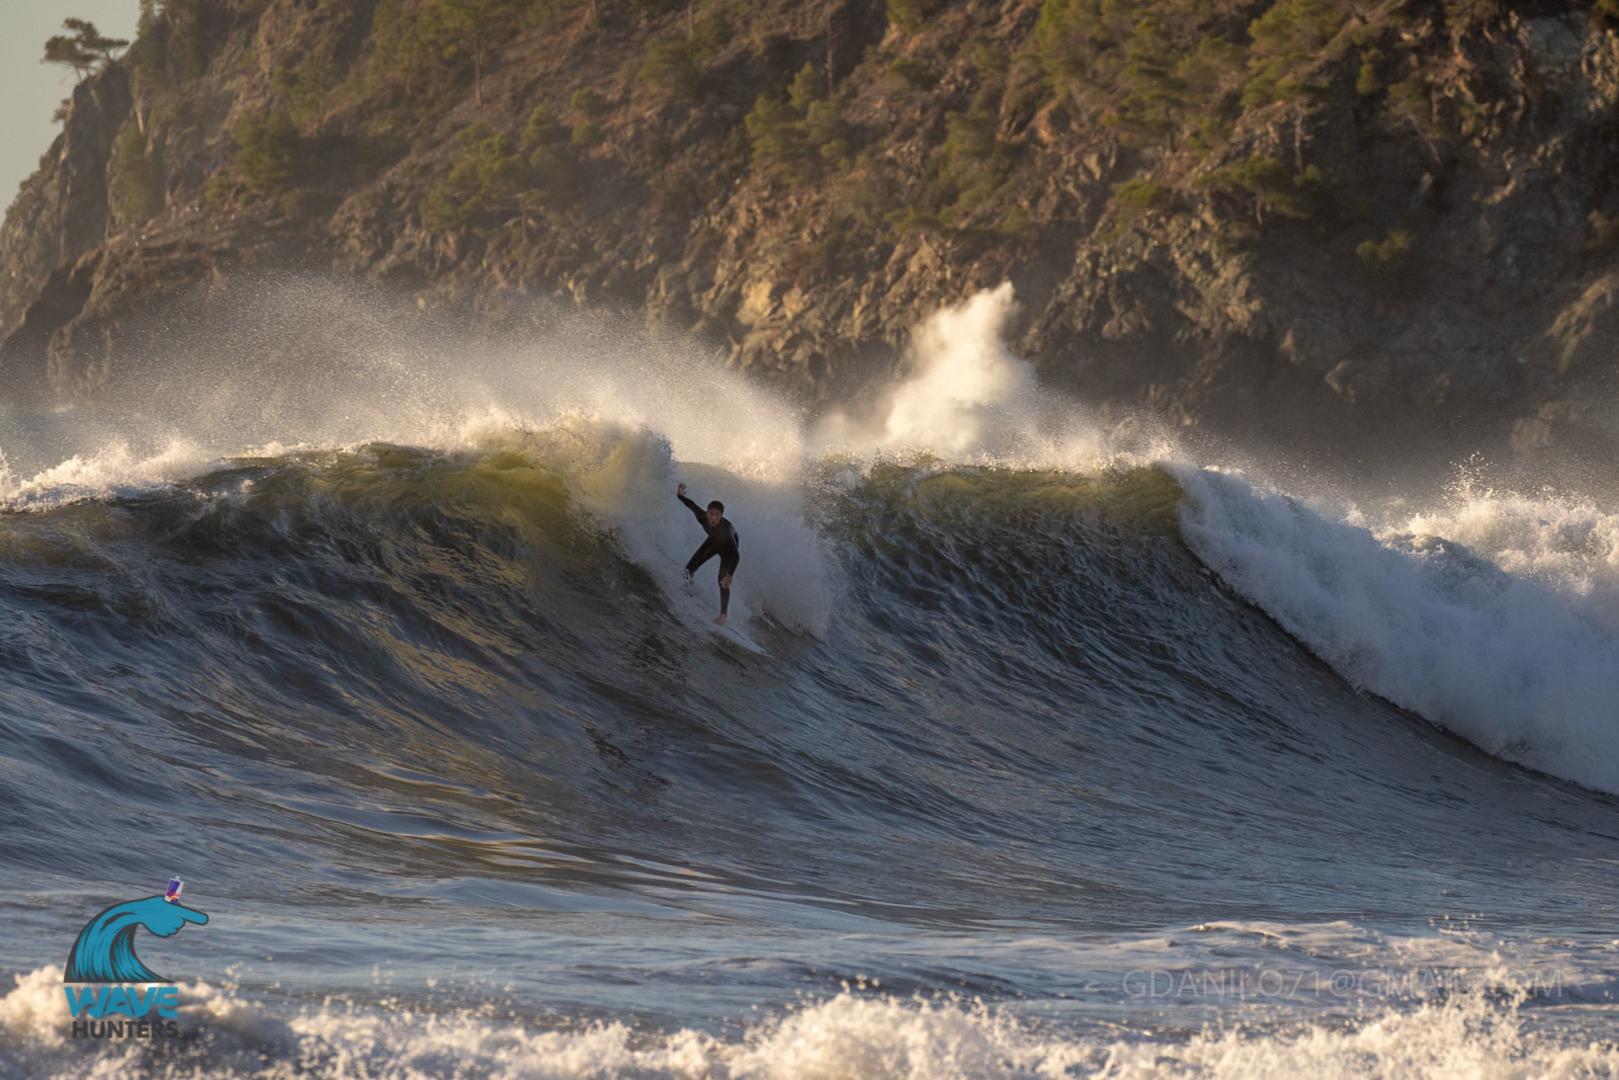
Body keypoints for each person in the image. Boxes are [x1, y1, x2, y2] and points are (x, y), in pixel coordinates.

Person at [676, 481, 739, 625]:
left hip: (728, 550)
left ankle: (723, 615)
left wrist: (730, 575)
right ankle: (685, 591)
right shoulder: (702, 517)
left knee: (722, 581)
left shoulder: (726, 532)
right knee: (689, 568)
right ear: (707, 512)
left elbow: (736, 555)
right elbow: (692, 505)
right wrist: (680, 496)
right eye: (711, 514)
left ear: (722, 516)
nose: (713, 518)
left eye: (717, 515)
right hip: (713, 542)